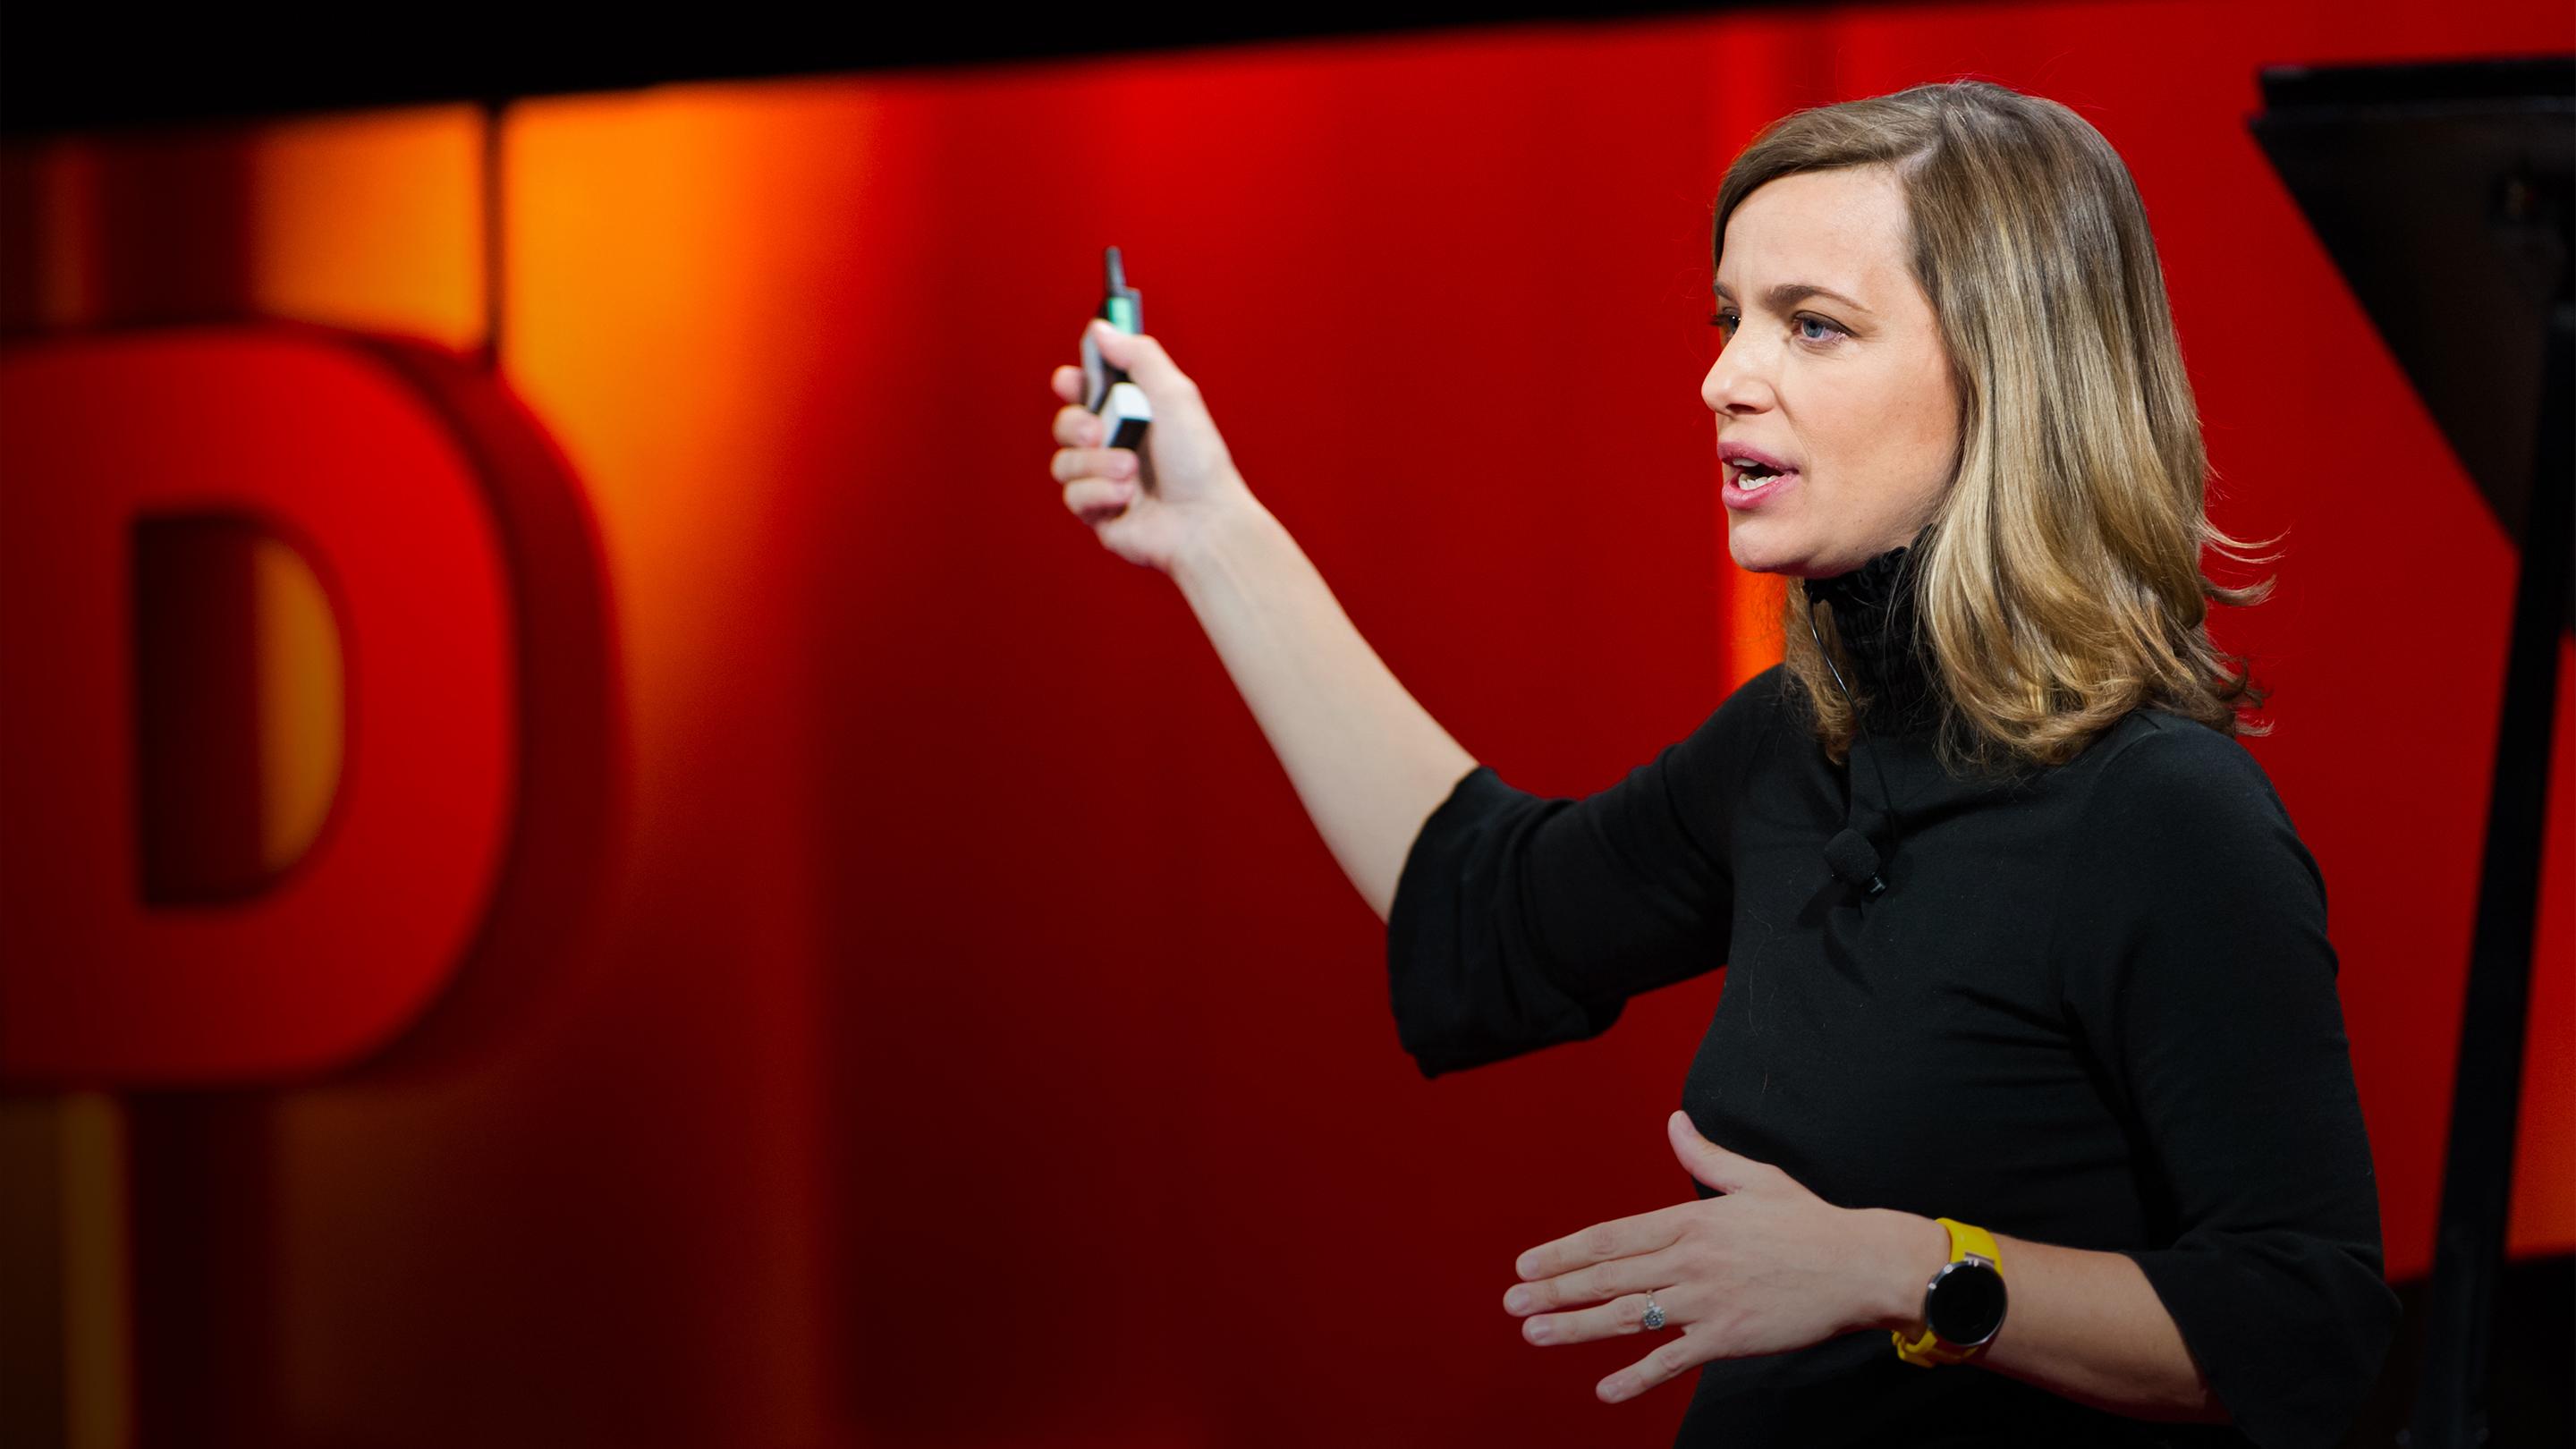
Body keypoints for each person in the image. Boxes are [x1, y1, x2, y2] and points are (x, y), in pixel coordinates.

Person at [1044, 80, 2397, 1449]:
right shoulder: (1793, 744)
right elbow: (1489, 911)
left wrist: (1903, 1269)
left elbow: (2305, 1327)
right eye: (1729, 318)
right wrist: (1213, 531)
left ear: (2008, 373)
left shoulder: (2165, 813)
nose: (1724, 377)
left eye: (1812, 325)